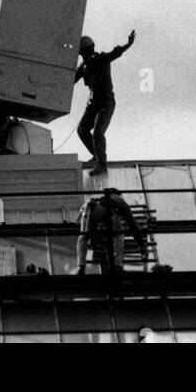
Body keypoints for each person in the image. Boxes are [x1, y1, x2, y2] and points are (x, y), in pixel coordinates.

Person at [75, 29, 136, 175]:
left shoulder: (101, 59)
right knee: (82, 130)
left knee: (97, 132)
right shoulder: (83, 67)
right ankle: (96, 155)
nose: (87, 56)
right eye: (84, 54)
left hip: (106, 103)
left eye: (88, 52)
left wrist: (129, 44)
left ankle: (102, 164)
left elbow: (116, 52)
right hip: (94, 103)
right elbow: (71, 79)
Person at [76, 187, 149, 275]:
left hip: (87, 209)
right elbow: (132, 225)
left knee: (83, 237)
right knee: (119, 235)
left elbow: (84, 219)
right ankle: (117, 265)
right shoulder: (119, 199)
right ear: (118, 194)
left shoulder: (94, 195)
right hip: (107, 209)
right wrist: (141, 245)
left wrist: (94, 246)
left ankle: (81, 267)